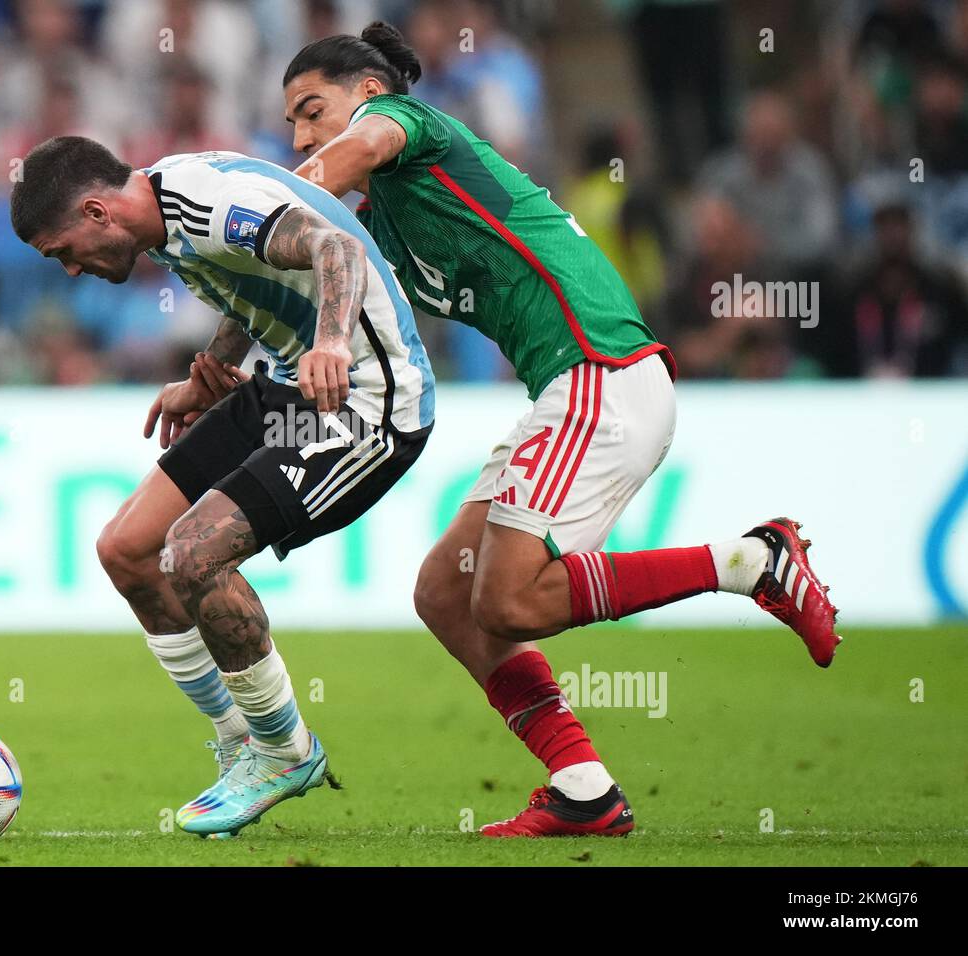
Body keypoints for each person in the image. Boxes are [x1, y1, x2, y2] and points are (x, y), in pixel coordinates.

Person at [197, 21, 840, 839]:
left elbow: (320, 182)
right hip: (565, 394)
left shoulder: (413, 128)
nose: (300, 135)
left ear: (366, 94)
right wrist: (219, 357)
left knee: (507, 600)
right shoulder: (385, 225)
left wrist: (237, 203)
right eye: (290, 122)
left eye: (310, 111)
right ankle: (584, 790)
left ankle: (748, 561)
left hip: (600, 374)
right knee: (445, 592)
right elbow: (294, 273)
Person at [10, 136, 435, 837]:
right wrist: (212, 365)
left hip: (362, 406)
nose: (72, 271)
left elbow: (336, 251)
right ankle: (241, 736)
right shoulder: (167, 213)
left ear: (95, 210)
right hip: (283, 391)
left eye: (63, 252)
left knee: (193, 552)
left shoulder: (209, 205)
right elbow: (254, 283)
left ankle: (284, 750)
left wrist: (330, 342)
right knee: (128, 549)